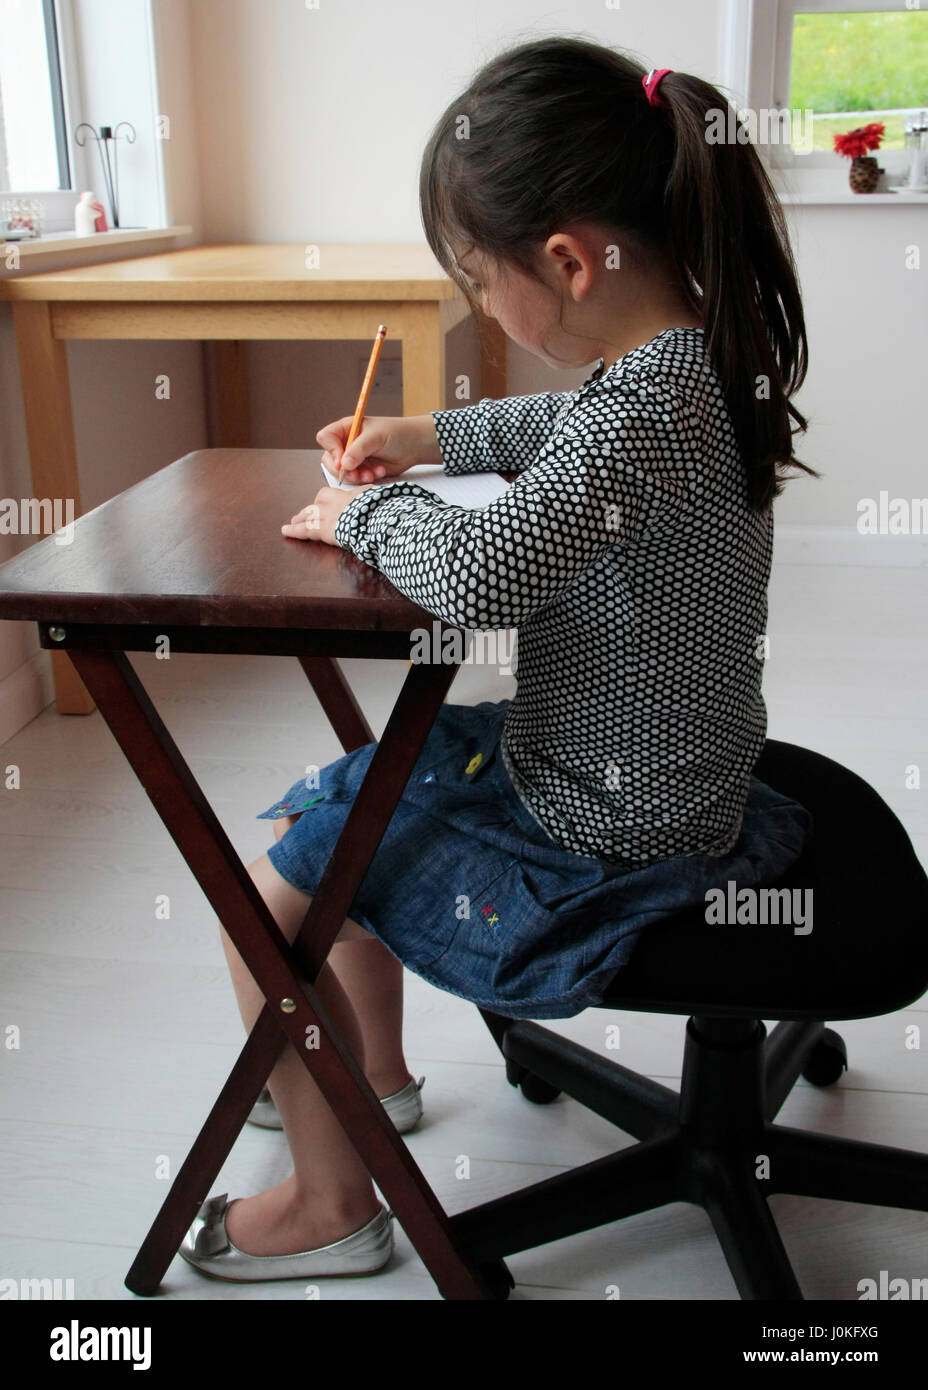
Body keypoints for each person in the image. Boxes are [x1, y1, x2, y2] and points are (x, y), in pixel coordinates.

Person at [179, 35, 818, 1284]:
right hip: (661, 773)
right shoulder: (687, 357)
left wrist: (356, 511)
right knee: (343, 806)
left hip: (608, 816)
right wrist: (429, 434)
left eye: (479, 282)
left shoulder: (646, 403)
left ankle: (329, 1203)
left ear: (569, 261)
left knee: (280, 891)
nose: (481, 307)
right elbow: (557, 425)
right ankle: (376, 1082)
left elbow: (485, 576)